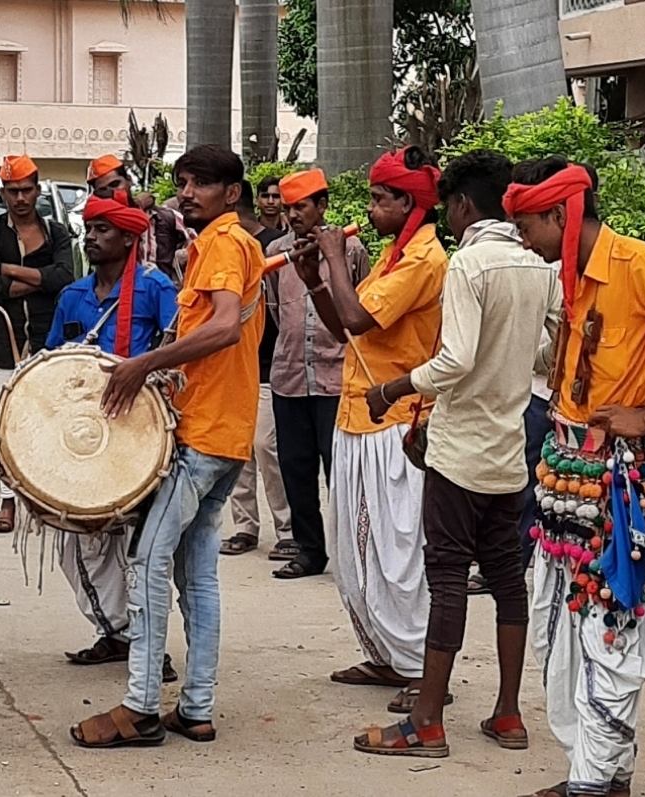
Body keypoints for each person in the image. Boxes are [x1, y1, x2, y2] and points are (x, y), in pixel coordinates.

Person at [503, 156, 645, 797]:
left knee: (609, 629)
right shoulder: (570, 276)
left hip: (618, 482)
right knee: (560, 625)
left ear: (558, 214)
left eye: (526, 224)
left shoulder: (638, 263)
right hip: (564, 475)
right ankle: (599, 773)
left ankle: (595, 780)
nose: (522, 238)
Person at [352, 150, 561, 757]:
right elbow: (550, 355)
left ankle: (426, 722)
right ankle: (508, 715)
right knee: (506, 580)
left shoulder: (470, 263)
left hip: (460, 448)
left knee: (445, 577)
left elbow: (455, 361)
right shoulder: (535, 263)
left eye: (448, 204)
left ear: (464, 204)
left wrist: (391, 388)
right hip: (509, 449)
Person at [69, 143, 263, 749]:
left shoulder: (226, 244)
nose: (185, 194)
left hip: (203, 433)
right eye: (181, 183)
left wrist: (144, 364)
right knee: (197, 572)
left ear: (231, 193)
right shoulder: (232, 243)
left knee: (147, 561)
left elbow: (226, 324)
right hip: (227, 431)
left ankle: (141, 707)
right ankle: (196, 707)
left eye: (198, 184)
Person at [299, 147, 447, 698]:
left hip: (396, 422)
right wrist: (315, 277)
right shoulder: (393, 254)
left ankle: (416, 666)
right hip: (358, 414)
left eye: (379, 199)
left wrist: (336, 255)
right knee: (353, 549)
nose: (370, 208)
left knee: (395, 551)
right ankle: (385, 654)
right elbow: (349, 332)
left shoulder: (422, 260)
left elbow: (359, 316)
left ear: (408, 202)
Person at [46, 192, 180, 683]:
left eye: (104, 230)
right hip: (81, 436)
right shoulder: (72, 296)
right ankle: (117, 630)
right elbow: (50, 368)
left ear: (129, 238)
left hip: (139, 437)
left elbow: (174, 349)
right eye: (90, 229)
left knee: (139, 546)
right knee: (77, 539)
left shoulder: (155, 287)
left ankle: (144, 641)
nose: (92, 237)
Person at [264, 167, 370, 578]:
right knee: (295, 467)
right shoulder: (276, 253)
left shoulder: (351, 248)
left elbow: (357, 307)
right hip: (289, 375)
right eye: (289, 208)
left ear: (322, 206)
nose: (293, 215)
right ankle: (310, 551)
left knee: (339, 471)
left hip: (336, 377)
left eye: (301, 206)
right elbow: (275, 309)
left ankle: (350, 555)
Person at [0, 154, 74, 535]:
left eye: (26, 190)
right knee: (7, 425)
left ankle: (51, 501)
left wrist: (11, 269)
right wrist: (39, 278)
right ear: (3, 193)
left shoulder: (56, 233)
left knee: (54, 423)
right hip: (8, 342)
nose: (20, 198)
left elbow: (66, 278)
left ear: (37, 190)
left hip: (51, 343)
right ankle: (8, 504)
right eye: (12, 191)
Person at [220, 181, 293, 558]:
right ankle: (245, 526)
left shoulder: (276, 247)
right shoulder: (222, 247)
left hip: (266, 364)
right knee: (238, 451)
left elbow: (284, 309)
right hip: (233, 364)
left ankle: (288, 528)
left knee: (266, 446)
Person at [87, 154, 192, 286]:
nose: (113, 192)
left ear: (129, 180)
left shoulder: (164, 218)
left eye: (115, 184)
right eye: (103, 189)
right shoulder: (97, 227)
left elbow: (198, 248)